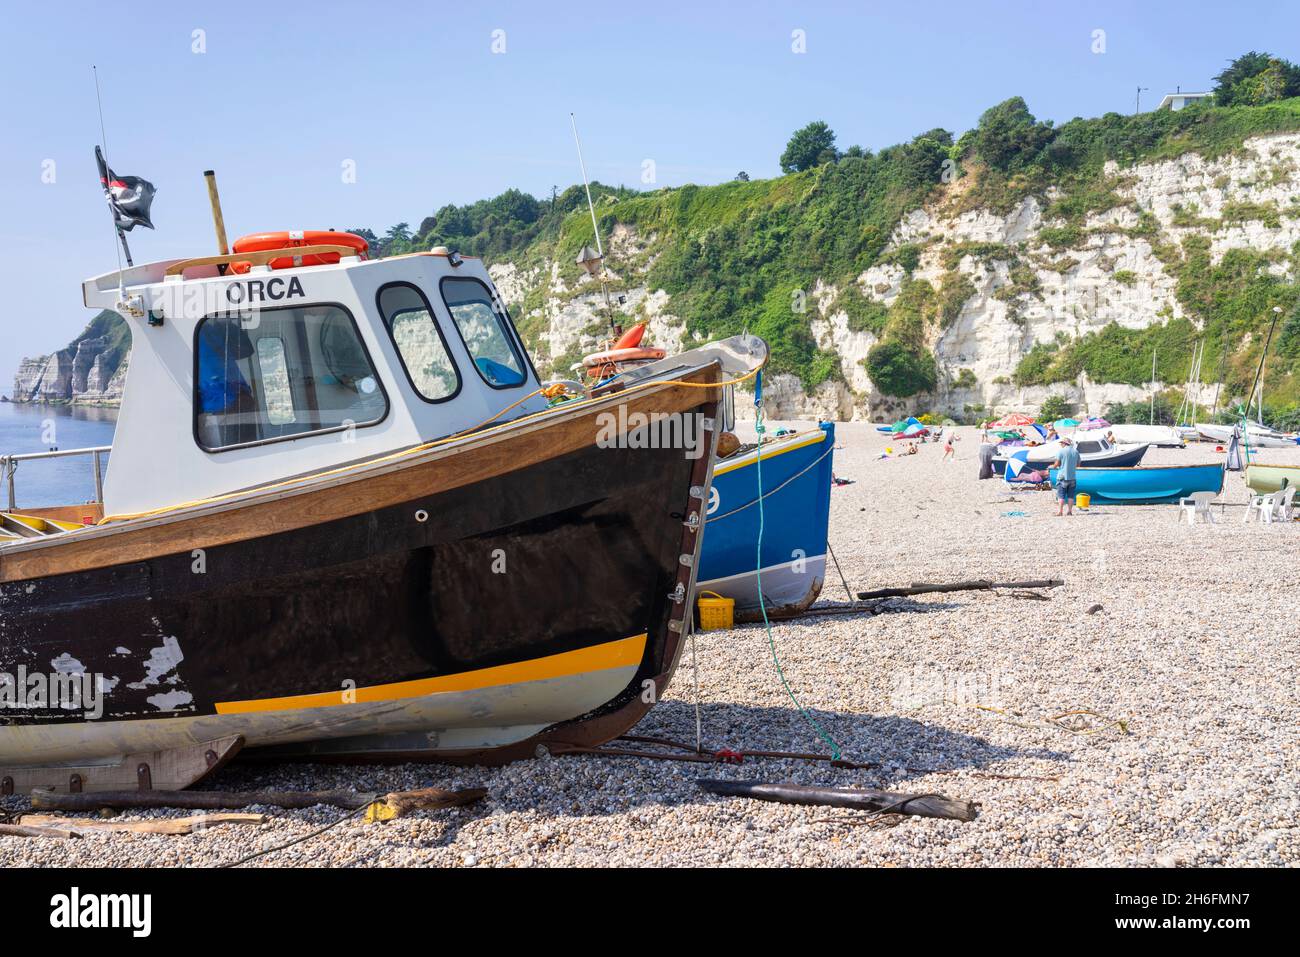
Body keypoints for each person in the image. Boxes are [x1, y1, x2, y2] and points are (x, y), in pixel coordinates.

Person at [1053, 436, 1081, 517]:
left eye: (1061, 443)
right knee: (1070, 496)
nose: (1061, 445)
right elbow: (1078, 465)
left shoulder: (1061, 451)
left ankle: (1060, 511)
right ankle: (1069, 511)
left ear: (1064, 443)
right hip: (1072, 477)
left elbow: (1057, 463)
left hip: (1062, 477)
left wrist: (1053, 466)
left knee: (1061, 495)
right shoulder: (1076, 451)